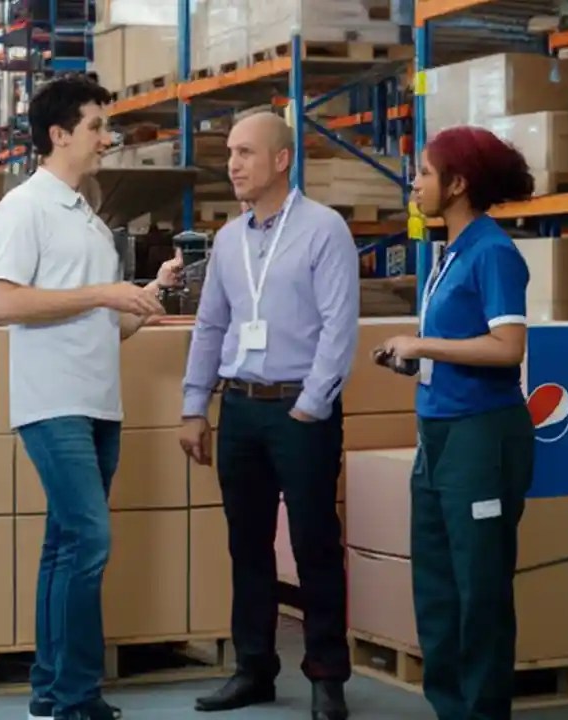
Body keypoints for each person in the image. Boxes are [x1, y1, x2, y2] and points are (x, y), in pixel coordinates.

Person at [0, 73, 183, 720]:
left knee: (66, 546)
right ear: (59, 134)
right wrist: (105, 293)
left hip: (99, 402)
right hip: (52, 403)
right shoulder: (27, 206)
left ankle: (49, 696)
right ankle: (75, 700)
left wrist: (146, 295)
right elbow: (3, 303)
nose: (108, 137)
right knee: (90, 541)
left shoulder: (87, 219)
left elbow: (109, 325)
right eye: (97, 126)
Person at [179, 111, 358, 720]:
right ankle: (253, 668)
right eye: (230, 151)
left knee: (314, 544)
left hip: (301, 411)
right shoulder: (229, 239)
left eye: (246, 152)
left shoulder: (323, 230)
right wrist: (193, 405)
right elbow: (211, 326)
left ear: (281, 160)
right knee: (247, 545)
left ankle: (327, 674)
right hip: (243, 410)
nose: (233, 163)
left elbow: (340, 326)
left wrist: (312, 403)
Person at [374, 126, 534, 720]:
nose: (413, 183)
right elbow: (454, 346)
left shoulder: (493, 252)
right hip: (438, 432)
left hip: (481, 435)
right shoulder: (451, 252)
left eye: (425, 173)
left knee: (480, 588)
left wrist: (426, 344)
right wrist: (415, 358)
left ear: (459, 184)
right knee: (438, 585)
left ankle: (483, 712)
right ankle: (450, 708)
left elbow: (507, 347)